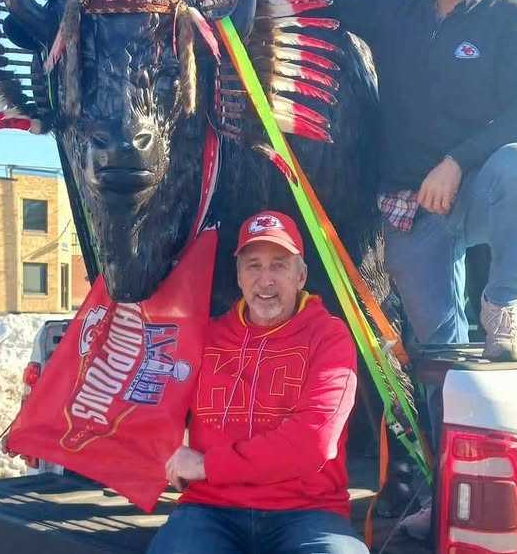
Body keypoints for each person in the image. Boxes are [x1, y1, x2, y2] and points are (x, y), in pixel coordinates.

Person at [309, 0, 517, 365]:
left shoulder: (516, 21)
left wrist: (458, 162)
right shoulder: (393, 7)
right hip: (412, 207)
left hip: (481, 190)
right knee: (442, 355)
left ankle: (501, 303)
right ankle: (450, 429)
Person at [147, 210, 368, 554]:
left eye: (279, 265)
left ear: (301, 276)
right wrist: (165, 450)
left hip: (306, 512)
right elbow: (151, 401)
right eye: (254, 265)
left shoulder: (329, 337)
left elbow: (312, 443)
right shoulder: (205, 336)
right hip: (211, 508)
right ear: (238, 277)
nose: (265, 280)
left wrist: (207, 465)